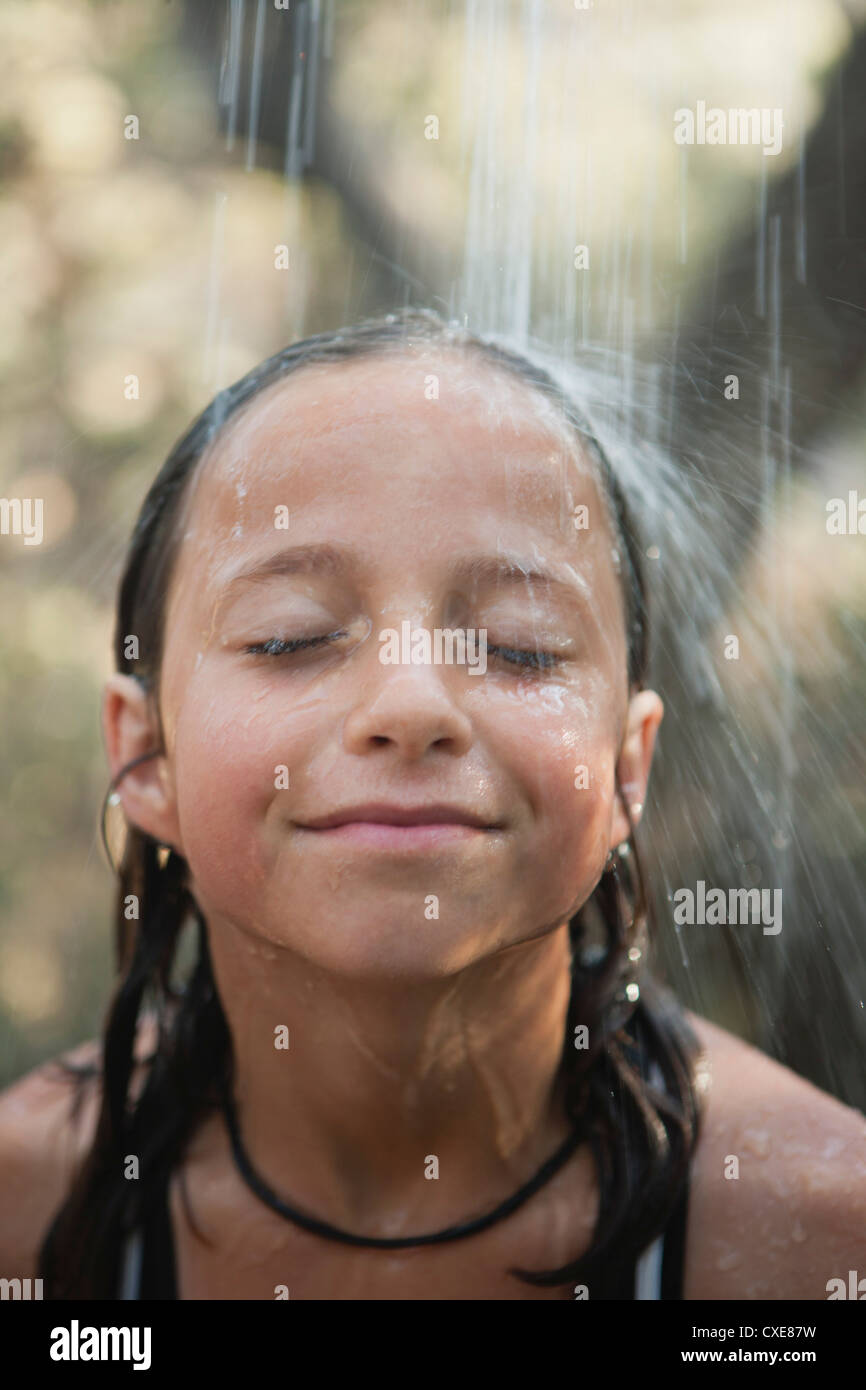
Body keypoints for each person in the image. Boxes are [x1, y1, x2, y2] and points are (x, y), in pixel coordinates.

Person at [1, 308, 863, 1300]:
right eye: (289, 637)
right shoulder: (30, 1214)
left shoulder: (817, 1241)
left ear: (625, 767)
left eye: (521, 645)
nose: (411, 703)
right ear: (147, 753)